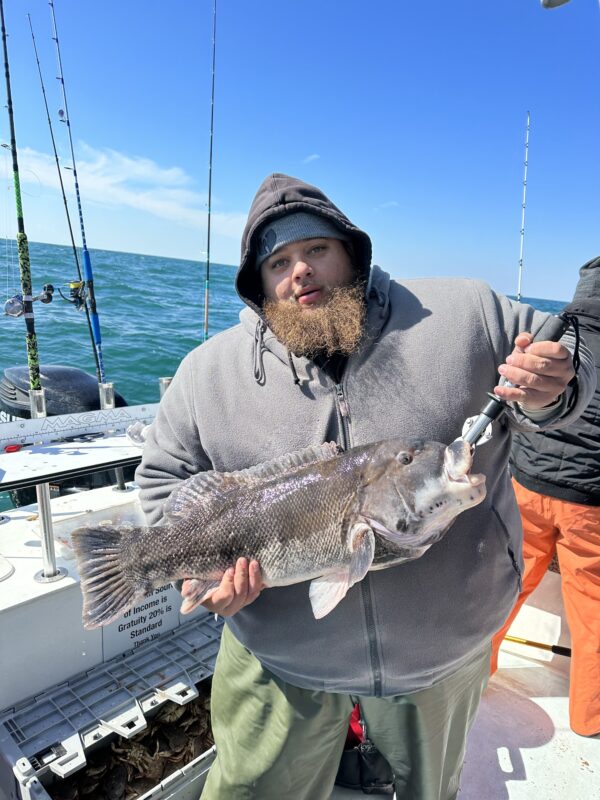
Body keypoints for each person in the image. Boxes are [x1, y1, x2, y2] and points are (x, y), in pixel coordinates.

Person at [135, 173, 595, 800]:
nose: (301, 271)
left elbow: (561, 357)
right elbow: (166, 478)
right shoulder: (205, 375)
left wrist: (556, 386)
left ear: (351, 251)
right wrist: (198, 576)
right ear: (259, 285)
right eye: (279, 262)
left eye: (316, 249)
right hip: (279, 657)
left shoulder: (465, 312)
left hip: (442, 654)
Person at [491, 256, 600, 738]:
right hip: (590, 502)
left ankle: (472, 678)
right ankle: (589, 717)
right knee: (593, 610)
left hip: (526, 485)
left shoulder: (548, 332)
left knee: (506, 587)